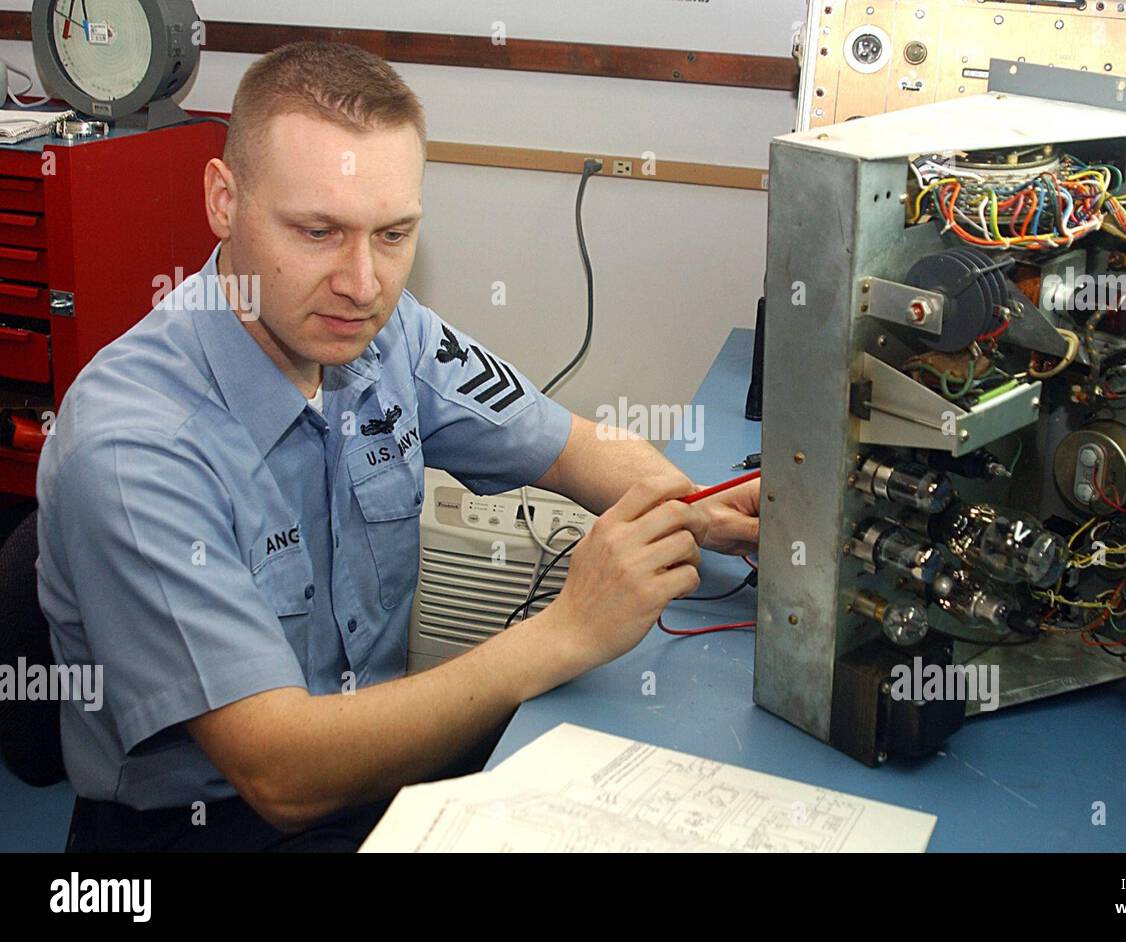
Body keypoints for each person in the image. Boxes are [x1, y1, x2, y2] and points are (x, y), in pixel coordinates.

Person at [36, 41, 760, 852]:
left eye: (393, 234)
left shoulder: (386, 333)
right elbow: (280, 773)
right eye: (318, 231)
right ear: (222, 199)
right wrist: (567, 632)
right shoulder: (134, 444)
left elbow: (570, 448)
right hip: (215, 824)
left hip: (377, 774)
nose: (363, 282)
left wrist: (698, 506)